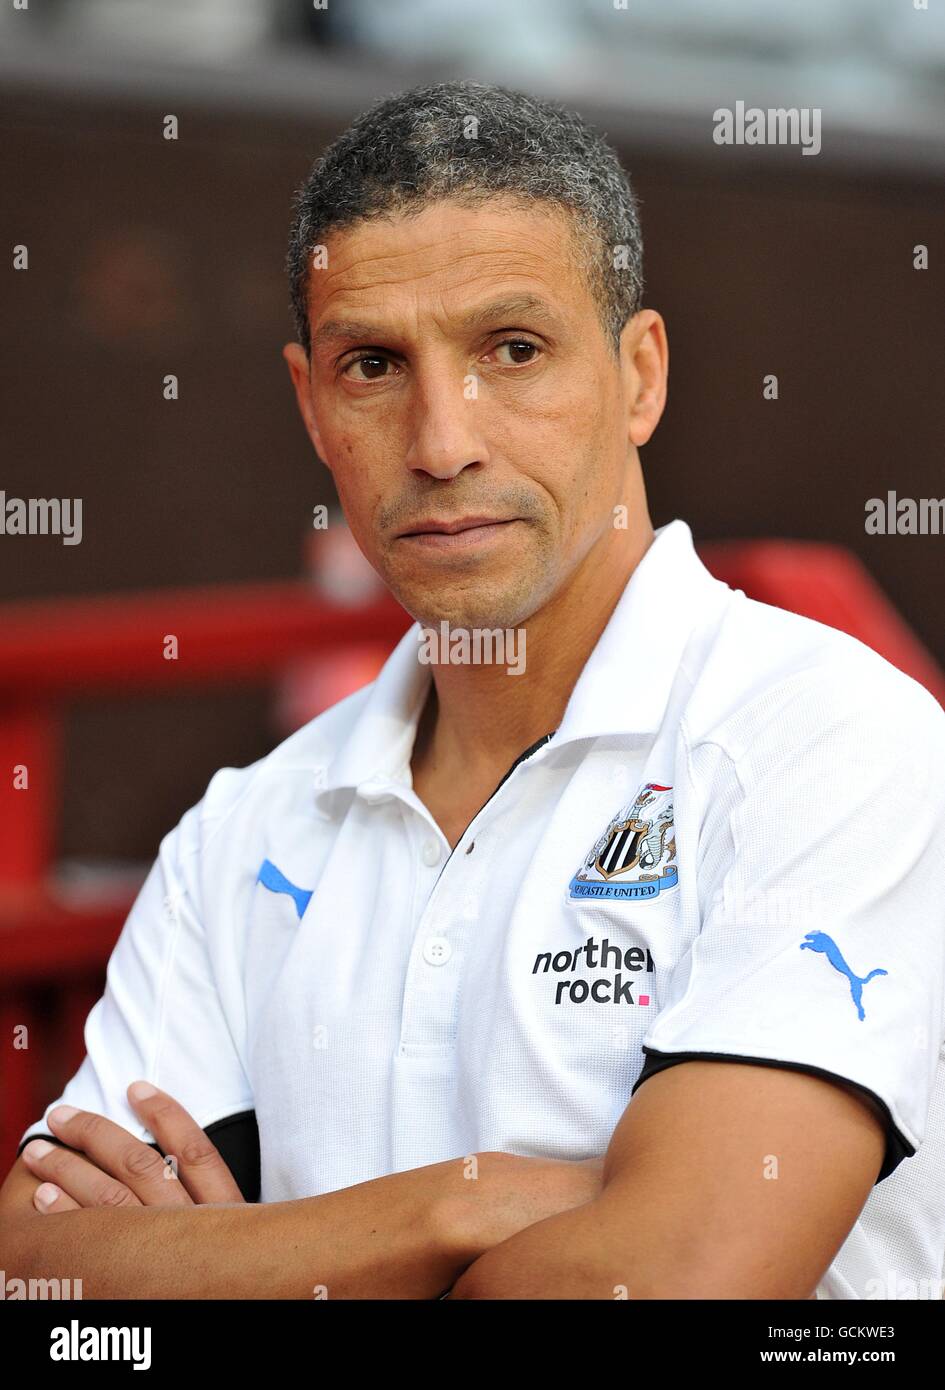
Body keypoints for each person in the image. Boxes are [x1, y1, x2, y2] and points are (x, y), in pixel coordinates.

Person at [2, 79, 944, 1301]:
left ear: (641, 374)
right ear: (311, 406)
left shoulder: (832, 737)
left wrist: (230, 1267)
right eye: (375, 364)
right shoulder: (243, 830)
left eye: (514, 348)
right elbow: (39, 1281)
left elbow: (675, 1281)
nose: (444, 440)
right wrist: (468, 1205)